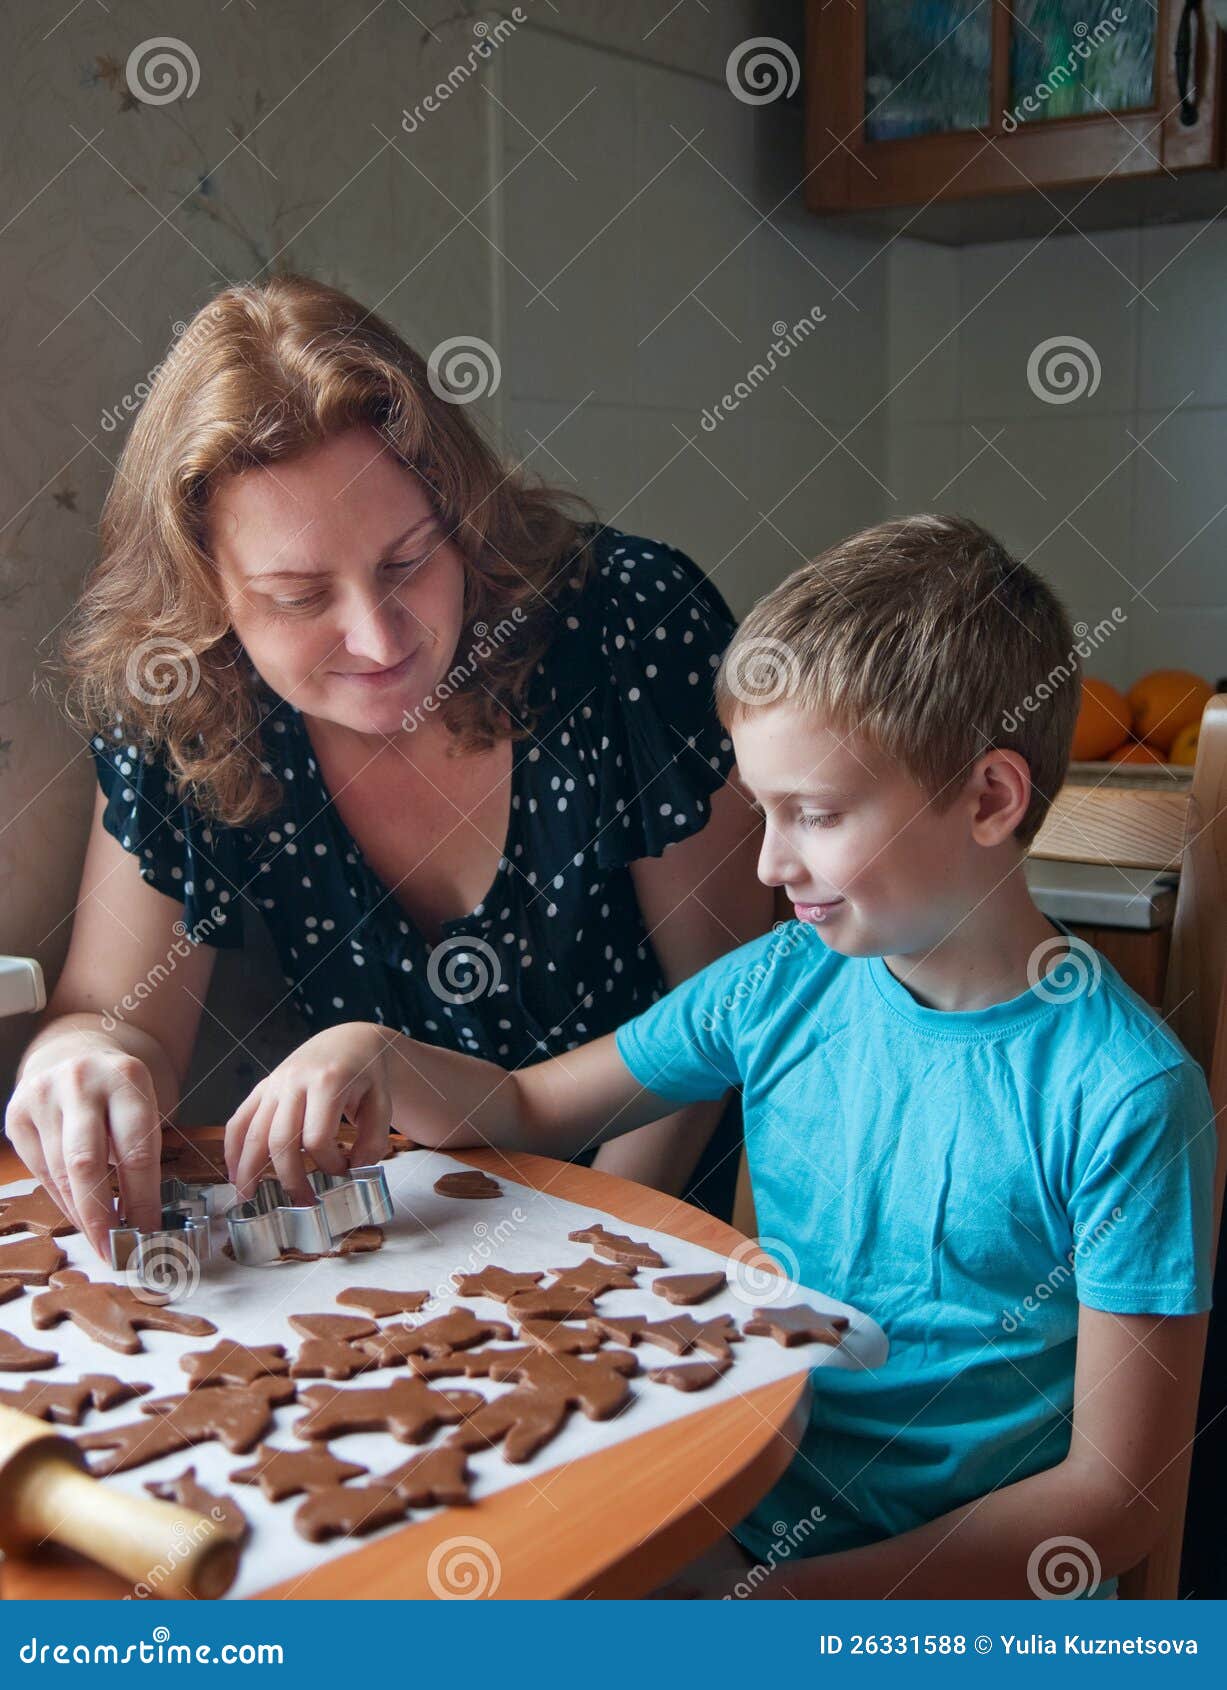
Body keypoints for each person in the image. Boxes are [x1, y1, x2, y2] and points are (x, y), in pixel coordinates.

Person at [220, 515, 1215, 1598]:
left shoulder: (1126, 1095)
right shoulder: (783, 979)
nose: (773, 861)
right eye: (761, 811)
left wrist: (793, 1608)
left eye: (815, 814)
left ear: (989, 797)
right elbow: (531, 1106)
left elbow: (1117, 1499)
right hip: (744, 1516)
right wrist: (370, 1049)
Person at [6, 274, 769, 1261]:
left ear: (461, 514)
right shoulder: (189, 700)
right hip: (414, 1250)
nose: (376, 639)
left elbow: (720, 1020)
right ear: (208, 602)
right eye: (297, 595)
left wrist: (586, 1270)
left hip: (667, 1230)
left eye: (409, 560)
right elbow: (120, 1024)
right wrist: (76, 1064)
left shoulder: (627, 625)